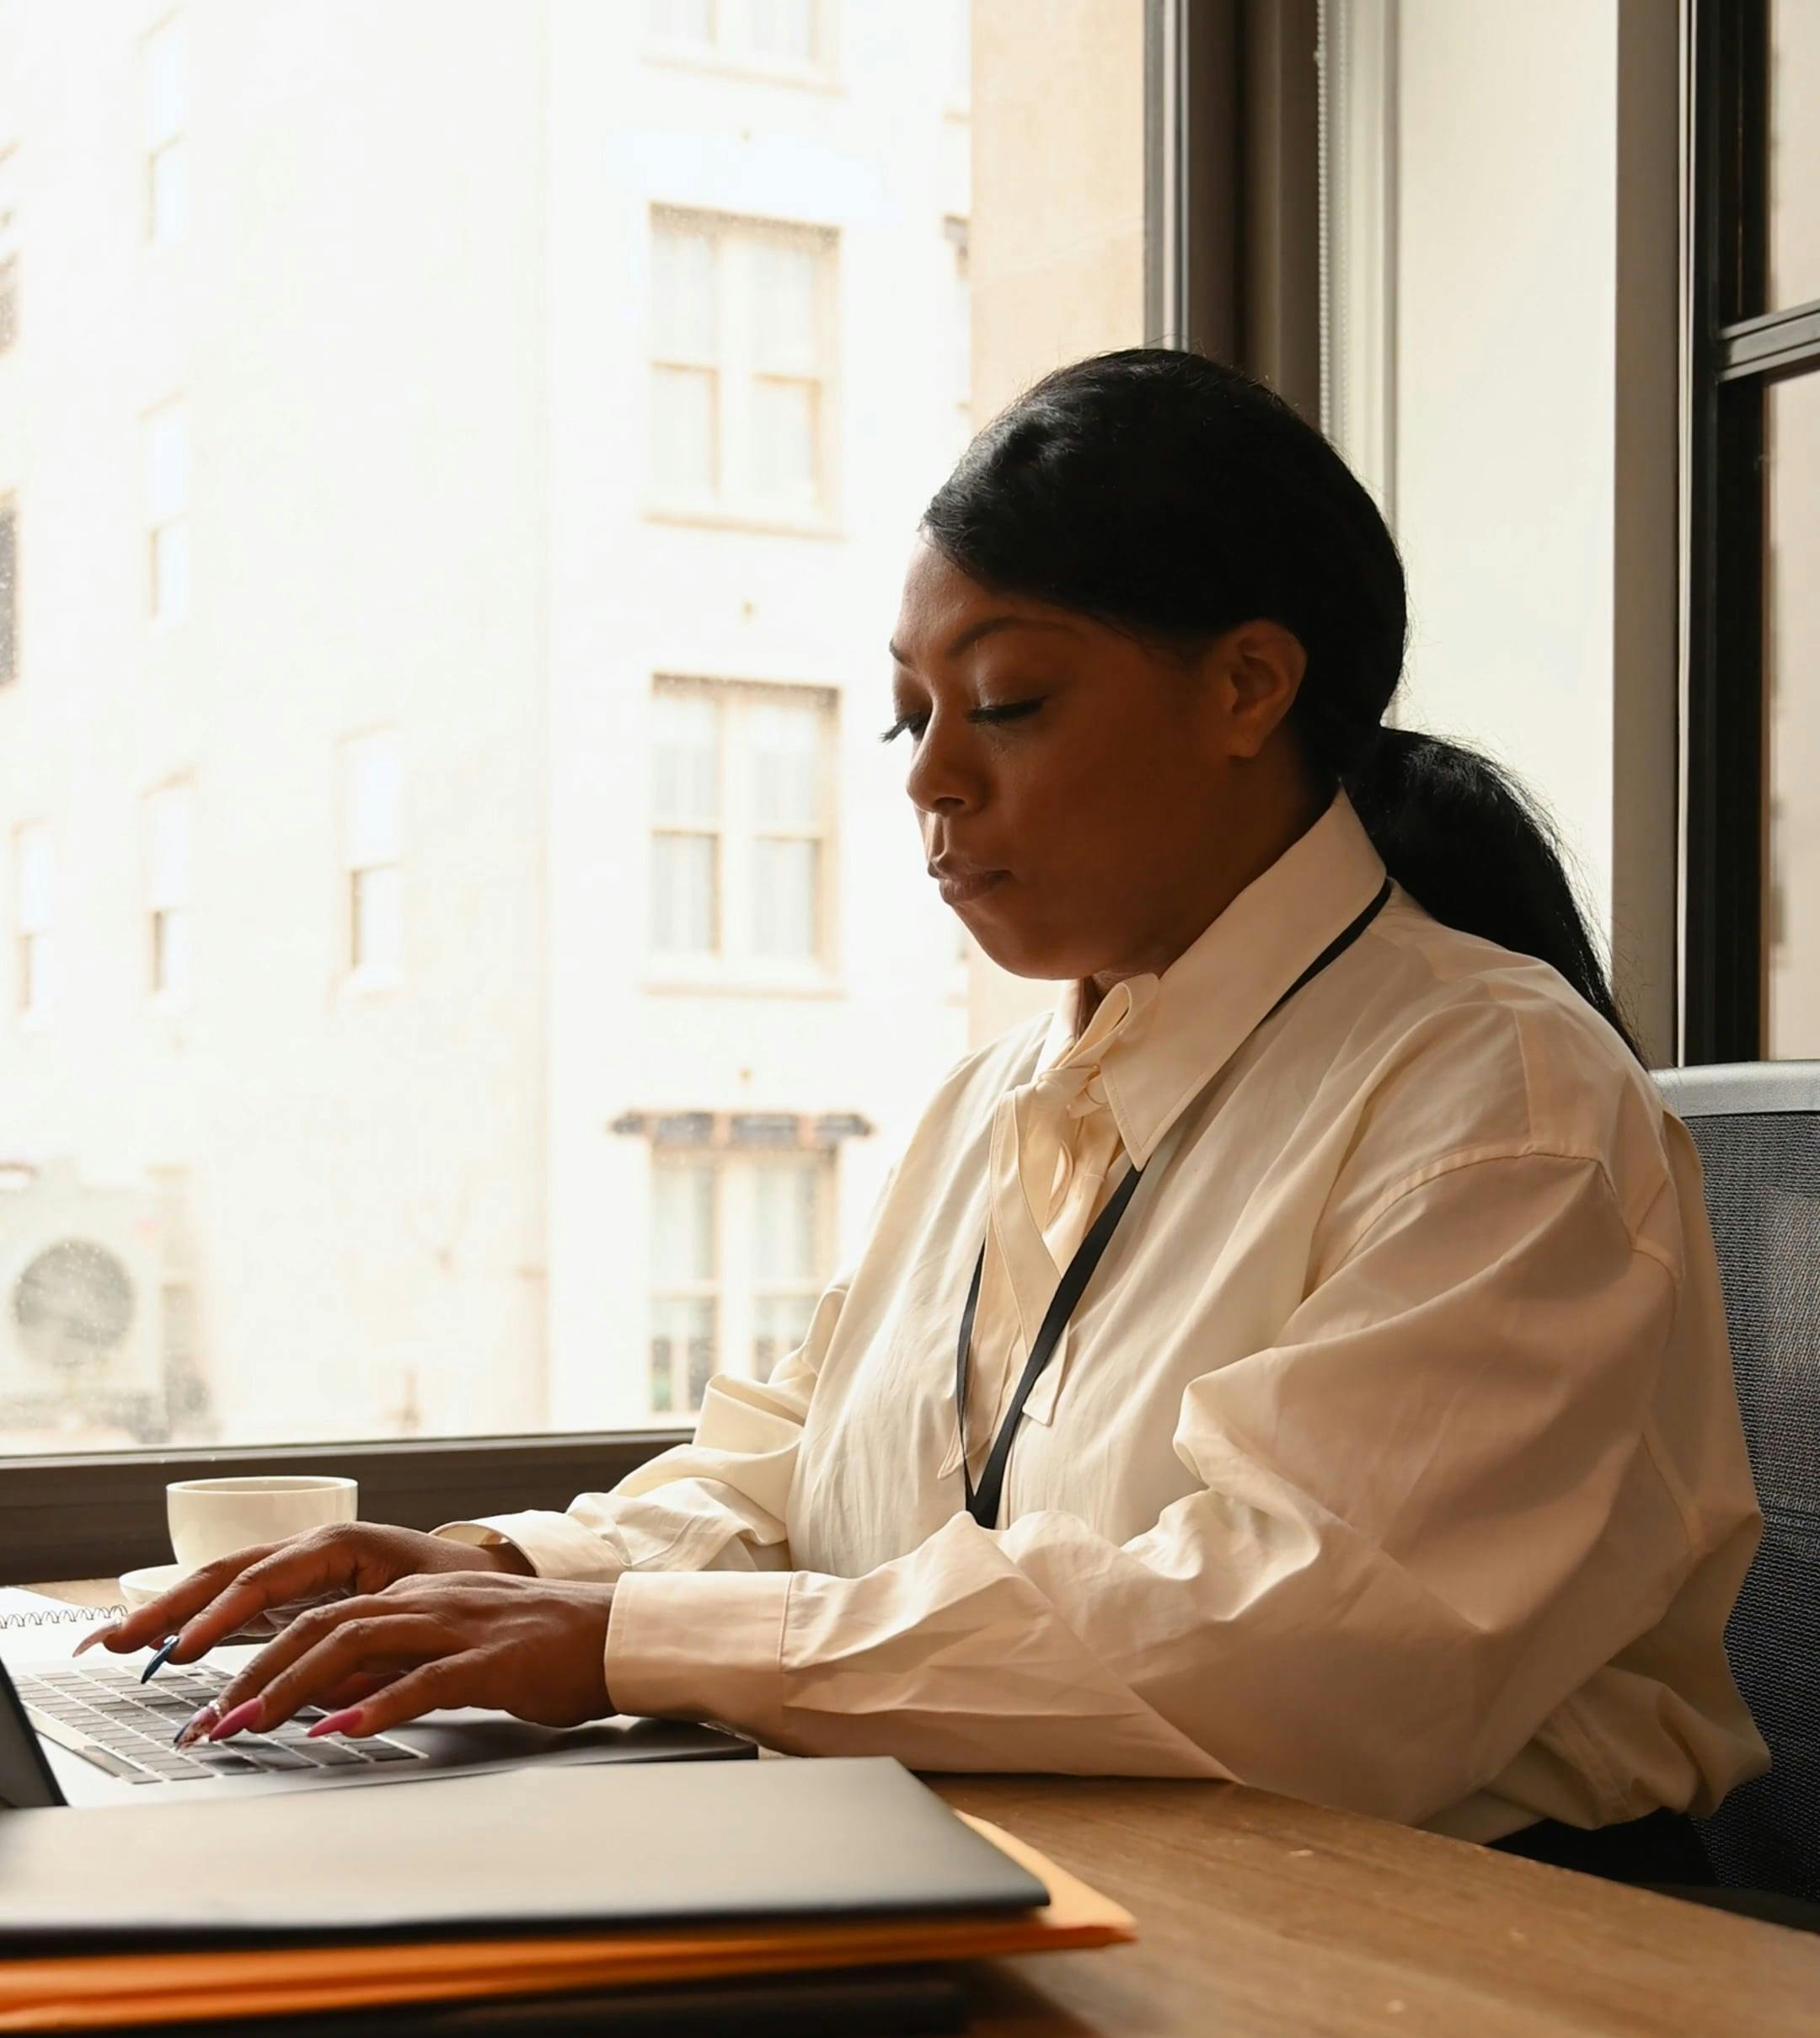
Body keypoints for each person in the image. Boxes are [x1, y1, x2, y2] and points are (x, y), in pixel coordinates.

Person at [94, 350, 1768, 1864]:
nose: (927, 781)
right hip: (1052, 1878)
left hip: (1451, 1953)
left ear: (1248, 686)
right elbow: (790, 1492)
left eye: (1009, 703)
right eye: (912, 714)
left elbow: (1301, 1652)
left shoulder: (1497, 1094)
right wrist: (501, 1573)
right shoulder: (999, 1100)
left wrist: (621, 1642)